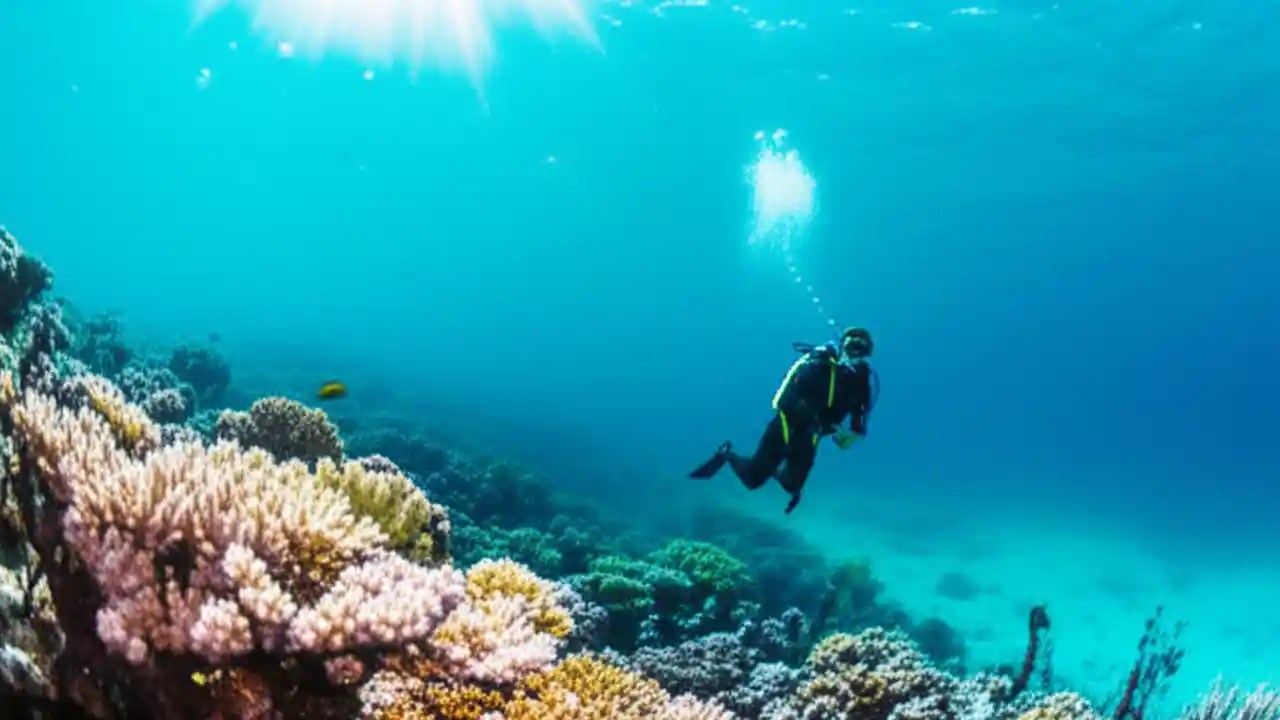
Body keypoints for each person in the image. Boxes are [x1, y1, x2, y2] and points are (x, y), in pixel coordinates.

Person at [689, 327, 878, 514]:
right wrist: (811, 417)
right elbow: (787, 399)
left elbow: (858, 419)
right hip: (786, 426)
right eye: (853, 346)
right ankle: (727, 455)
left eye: (862, 349)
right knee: (752, 481)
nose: (856, 354)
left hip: (811, 435)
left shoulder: (861, 382)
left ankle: (771, 469)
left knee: (792, 485)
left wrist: (850, 433)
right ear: (842, 345)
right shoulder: (820, 364)